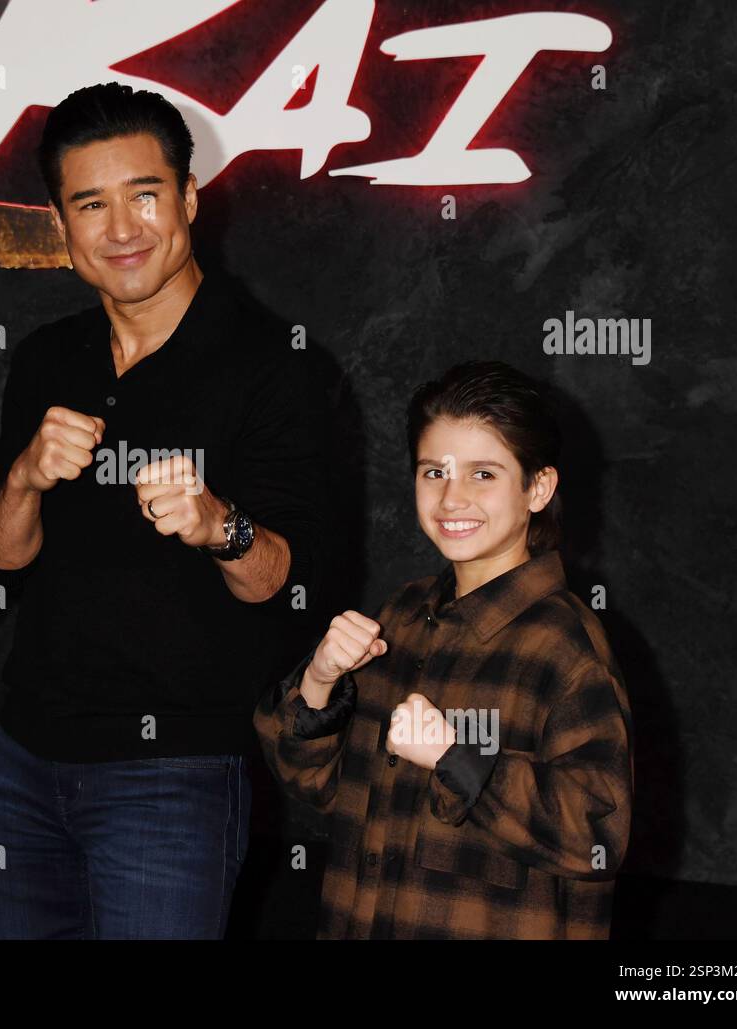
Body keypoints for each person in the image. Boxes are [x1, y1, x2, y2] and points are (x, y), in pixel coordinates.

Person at [0, 82, 328, 938]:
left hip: (176, 775)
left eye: (145, 195)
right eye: (91, 204)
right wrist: (22, 478)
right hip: (23, 761)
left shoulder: (273, 363)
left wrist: (220, 525)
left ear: (190, 198)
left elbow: (281, 580)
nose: (122, 229)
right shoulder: (46, 358)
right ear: (62, 227)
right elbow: (0, 555)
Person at [255, 360, 633, 939]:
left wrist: (458, 759)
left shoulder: (564, 646)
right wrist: (320, 681)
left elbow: (599, 838)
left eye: (484, 474)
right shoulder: (399, 618)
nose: (452, 498)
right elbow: (317, 787)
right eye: (434, 471)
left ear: (538, 488)